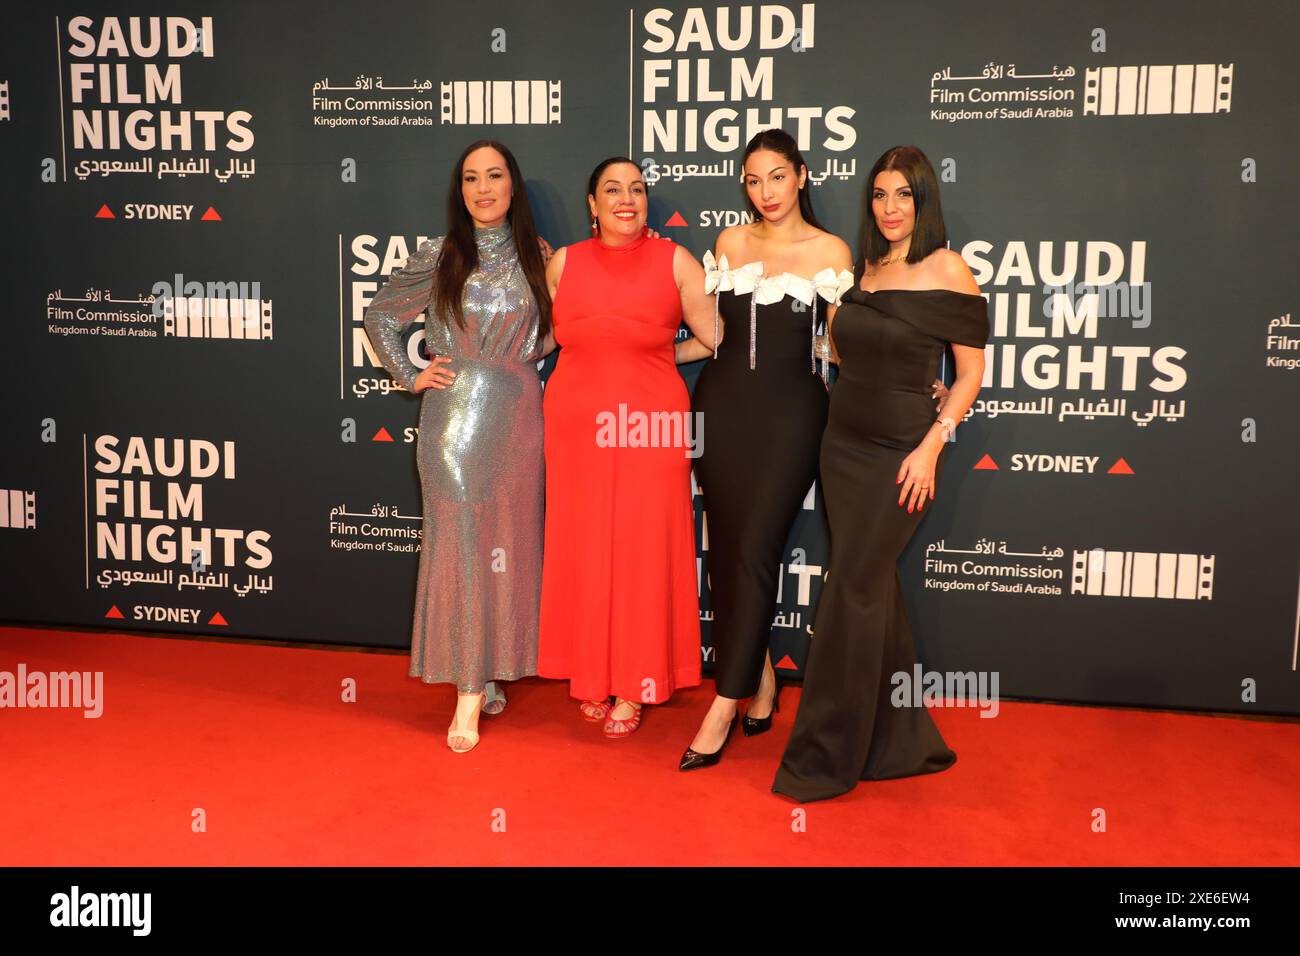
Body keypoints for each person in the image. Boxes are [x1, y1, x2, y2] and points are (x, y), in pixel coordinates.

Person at [772, 144, 989, 801]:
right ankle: (896, 741)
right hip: (843, 445)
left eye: (904, 195)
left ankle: (824, 754)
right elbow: (844, 349)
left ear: (924, 200)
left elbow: (971, 373)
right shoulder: (866, 267)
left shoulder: (949, 268)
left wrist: (932, 444)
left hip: (902, 454)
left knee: (852, 587)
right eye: (880, 195)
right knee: (872, 591)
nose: (891, 208)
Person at [673, 128, 854, 770]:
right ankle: (763, 683)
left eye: (777, 176)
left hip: (793, 417)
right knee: (727, 549)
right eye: (753, 179)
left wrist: (913, 379)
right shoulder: (730, 242)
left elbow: (841, 348)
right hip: (720, 410)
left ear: (802, 175)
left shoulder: (830, 250)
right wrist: (641, 355)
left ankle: (725, 700)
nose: (765, 191)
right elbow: (713, 334)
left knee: (756, 546)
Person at [363, 139, 552, 753]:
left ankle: (490, 668)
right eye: (471, 178)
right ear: (460, 191)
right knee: (463, 543)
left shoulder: (541, 256)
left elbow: (558, 332)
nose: (483, 188)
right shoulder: (441, 254)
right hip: (452, 424)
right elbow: (380, 315)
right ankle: (469, 687)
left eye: (495, 175)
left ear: (513, 186)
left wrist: (515, 366)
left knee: (508, 545)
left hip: (521, 419)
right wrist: (408, 372)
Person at [537, 157, 718, 737]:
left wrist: (661, 352)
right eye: (612, 190)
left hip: (652, 424)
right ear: (592, 204)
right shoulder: (564, 262)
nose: (626, 199)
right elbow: (536, 339)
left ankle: (637, 682)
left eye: (637, 190)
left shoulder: (675, 260)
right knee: (587, 546)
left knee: (642, 548)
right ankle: (592, 675)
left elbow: (715, 337)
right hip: (575, 425)